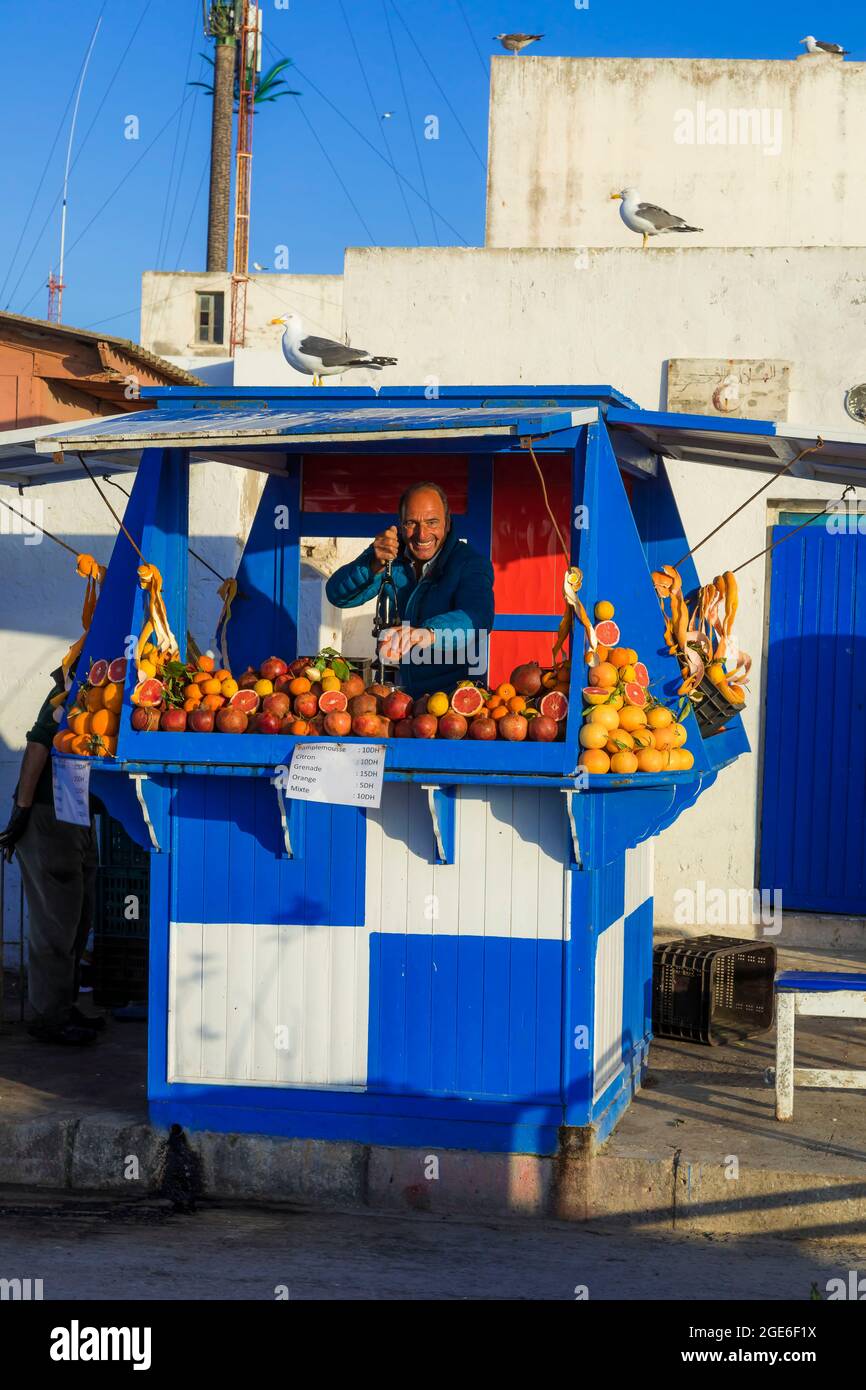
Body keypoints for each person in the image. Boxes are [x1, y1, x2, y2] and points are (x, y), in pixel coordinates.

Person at [0, 666, 103, 1045]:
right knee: (56, 923)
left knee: (78, 919)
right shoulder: (71, 689)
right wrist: (22, 811)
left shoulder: (107, 691)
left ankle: (63, 1004)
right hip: (47, 814)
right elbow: (37, 744)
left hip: (77, 816)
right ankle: (49, 1016)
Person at [325, 482, 495, 696]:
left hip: (453, 698)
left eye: (432, 522)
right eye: (411, 523)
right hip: (396, 696)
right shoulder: (390, 555)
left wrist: (425, 634)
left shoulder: (470, 563)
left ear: (448, 522)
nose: (422, 535)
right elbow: (337, 595)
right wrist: (372, 565)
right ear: (400, 524)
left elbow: (478, 617)